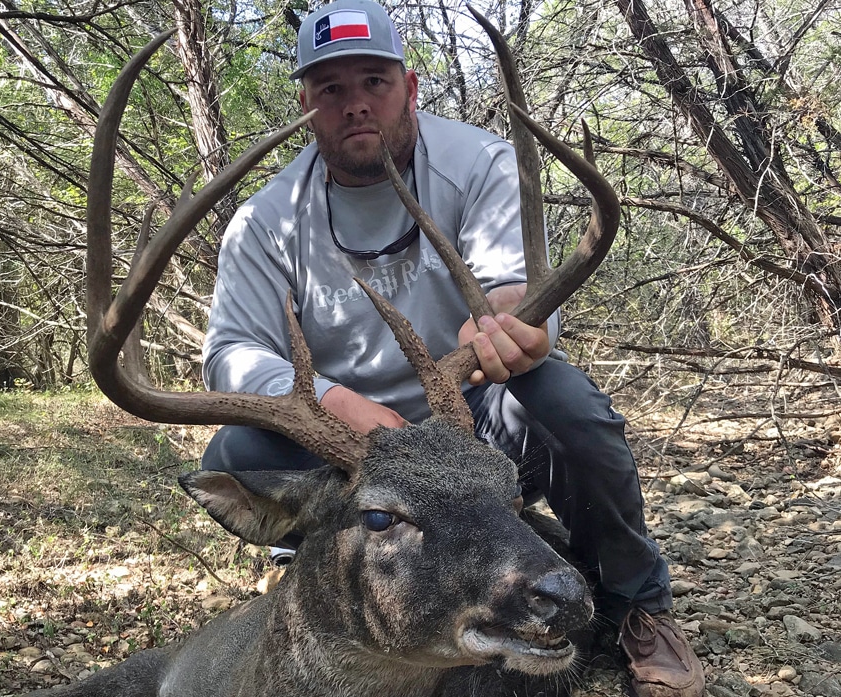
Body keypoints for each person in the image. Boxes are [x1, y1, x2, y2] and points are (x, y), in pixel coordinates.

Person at [200, 1, 705, 695]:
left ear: (409, 88)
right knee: (237, 451)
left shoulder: (480, 164)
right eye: (332, 90)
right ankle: (336, 572)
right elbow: (230, 350)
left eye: (374, 82)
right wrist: (339, 404)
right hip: (348, 453)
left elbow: (517, 294)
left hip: (466, 428)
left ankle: (637, 607)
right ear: (306, 105)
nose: (356, 106)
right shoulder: (264, 221)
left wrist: (507, 328)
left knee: (566, 406)